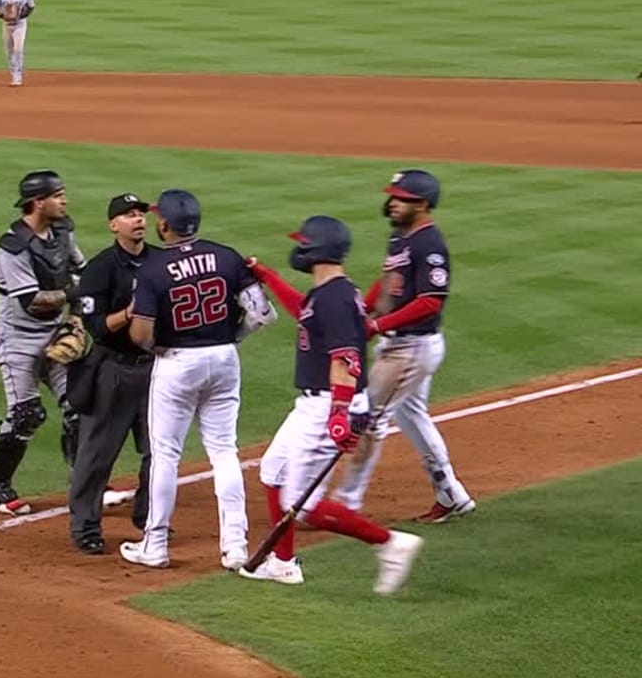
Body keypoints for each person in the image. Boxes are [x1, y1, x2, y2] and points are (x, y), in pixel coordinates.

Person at [238, 215, 425, 595]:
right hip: (313, 405)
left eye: (304, 242)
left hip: (327, 406)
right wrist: (269, 277)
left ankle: (390, 543)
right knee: (272, 470)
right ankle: (284, 564)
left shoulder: (336, 298)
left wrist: (340, 414)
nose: (299, 248)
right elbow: (304, 313)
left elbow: (346, 360)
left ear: (316, 249)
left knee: (304, 506)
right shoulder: (329, 293)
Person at [118, 189, 276, 571]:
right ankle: (236, 547)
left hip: (176, 363)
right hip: (224, 359)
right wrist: (230, 338)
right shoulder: (227, 256)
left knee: (166, 455)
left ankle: (155, 545)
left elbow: (140, 335)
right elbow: (262, 314)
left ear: (163, 225)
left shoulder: (153, 270)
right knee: (224, 451)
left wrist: (158, 348)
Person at [330, 169, 477, 524]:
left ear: (423, 204)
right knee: (412, 417)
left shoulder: (429, 244)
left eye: (402, 198)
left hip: (410, 349)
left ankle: (345, 505)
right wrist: (362, 312)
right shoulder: (400, 238)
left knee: (366, 421)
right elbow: (388, 284)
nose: (393, 202)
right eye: (392, 195)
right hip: (400, 345)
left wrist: (378, 324)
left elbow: (430, 301)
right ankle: (452, 494)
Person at [0, 170, 86, 516]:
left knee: (79, 407)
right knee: (26, 415)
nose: (64, 200)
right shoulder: (13, 247)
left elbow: (81, 271)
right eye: (58, 195)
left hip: (56, 334)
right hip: (18, 341)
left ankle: (84, 481)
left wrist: (77, 318)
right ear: (38, 202)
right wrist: (72, 293)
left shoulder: (63, 231)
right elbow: (33, 301)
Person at [65, 192, 158, 555]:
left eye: (141, 214)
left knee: (159, 449)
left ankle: (148, 515)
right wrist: (132, 313)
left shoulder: (160, 261)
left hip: (156, 369)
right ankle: (85, 525)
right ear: (113, 225)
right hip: (114, 369)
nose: (138, 220)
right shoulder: (101, 268)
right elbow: (96, 327)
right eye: (129, 215)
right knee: (97, 453)